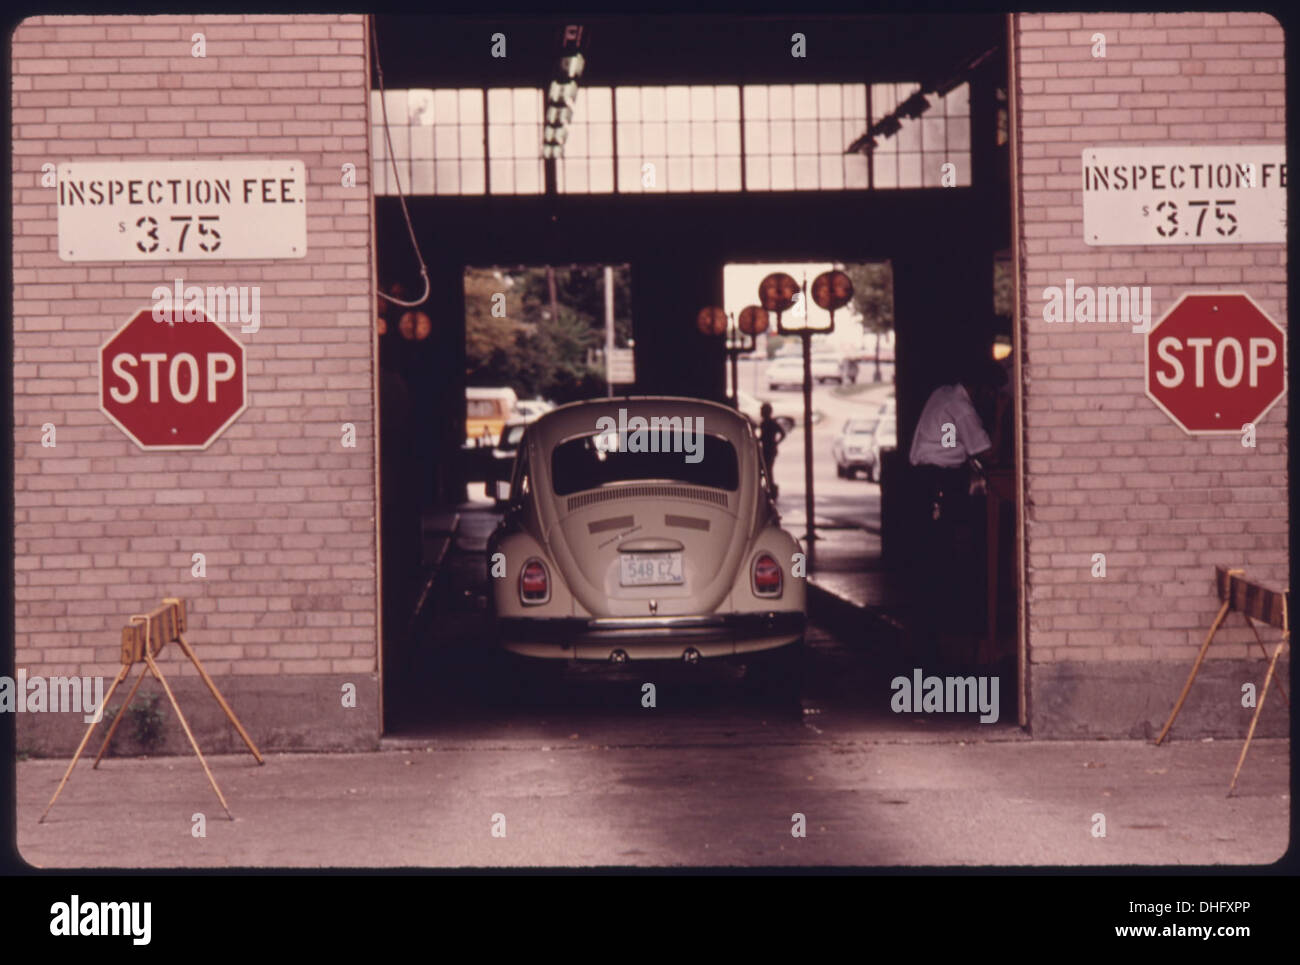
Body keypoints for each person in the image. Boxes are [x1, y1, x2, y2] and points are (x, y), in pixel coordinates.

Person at [907, 357, 1007, 652]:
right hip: (940, 483)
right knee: (944, 552)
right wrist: (1000, 416)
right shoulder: (963, 409)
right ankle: (941, 631)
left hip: (924, 481)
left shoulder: (943, 393)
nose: (991, 399)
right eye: (991, 393)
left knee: (930, 553)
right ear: (982, 389)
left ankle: (928, 632)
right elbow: (988, 454)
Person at [758, 402, 786, 497]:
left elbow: (782, 433)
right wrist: (776, 442)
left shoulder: (766, 423)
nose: (760, 412)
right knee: (768, 470)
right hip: (770, 449)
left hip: (768, 450)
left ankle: (771, 490)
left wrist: (775, 442)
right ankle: (770, 488)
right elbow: (782, 434)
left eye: (762, 411)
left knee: (767, 470)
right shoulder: (771, 423)